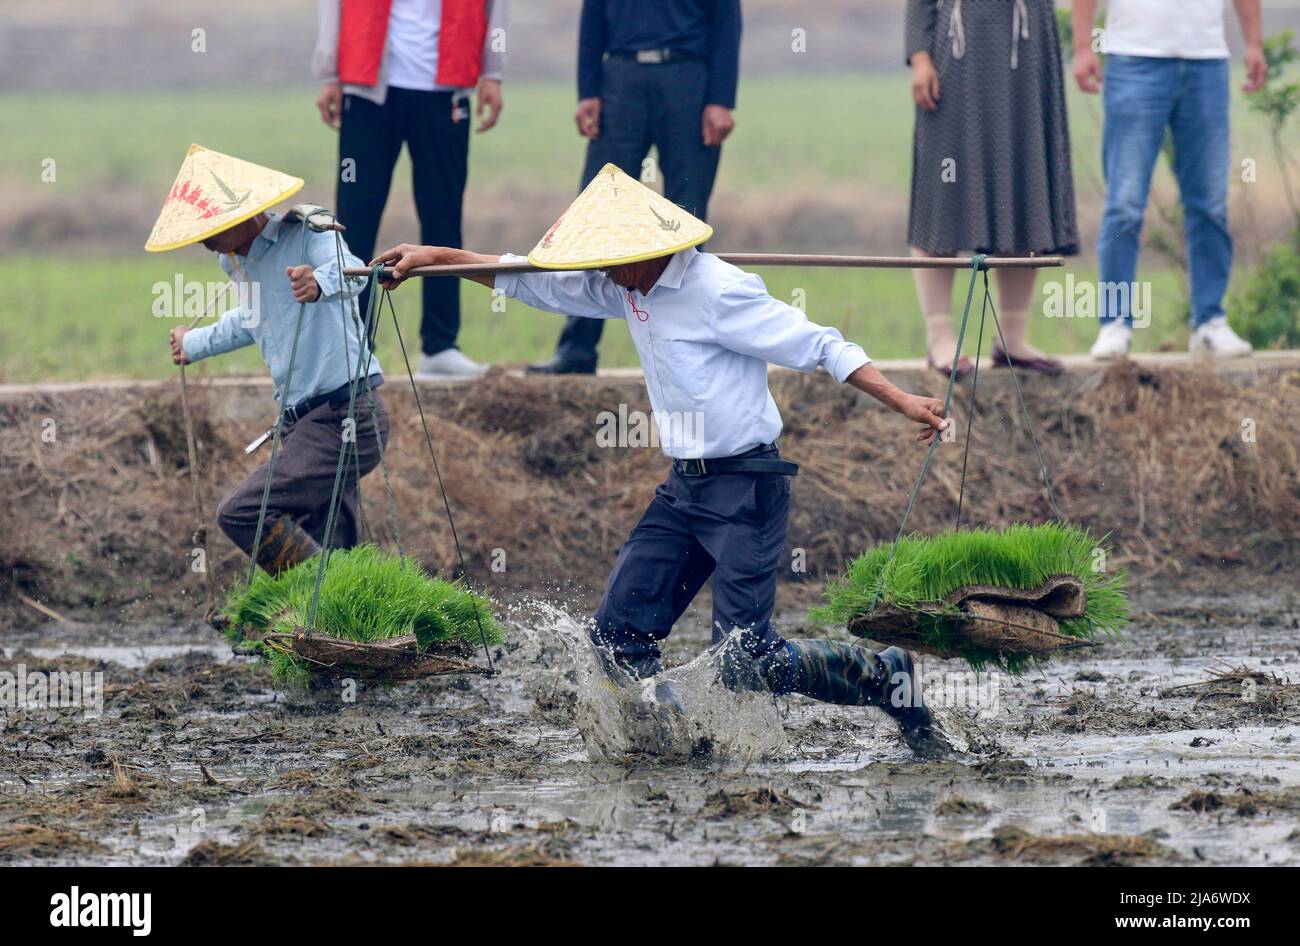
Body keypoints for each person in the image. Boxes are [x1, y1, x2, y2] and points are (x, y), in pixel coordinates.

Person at [374, 165, 952, 751]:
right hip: (683, 493)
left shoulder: (722, 291)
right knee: (614, 640)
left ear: (645, 249)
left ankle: (885, 676)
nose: (597, 270)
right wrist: (431, 257)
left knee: (745, 660)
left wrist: (902, 399)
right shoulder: (625, 285)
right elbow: (530, 281)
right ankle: (674, 740)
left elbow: (822, 344)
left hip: (746, 491)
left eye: (606, 257)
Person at [147, 145, 388, 574]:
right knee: (334, 540)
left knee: (242, 511)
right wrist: (194, 343)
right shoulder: (234, 263)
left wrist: (319, 282)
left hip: (348, 414)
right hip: (305, 422)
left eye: (212, 228)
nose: (205, 241)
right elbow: (252, 319)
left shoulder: (307, 234)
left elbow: (354, 272)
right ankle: (344, 621)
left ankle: (323, 597)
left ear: (244, 214)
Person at [527, 0, 742, 376]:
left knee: (685, 220)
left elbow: (726, 20)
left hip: (688, 82)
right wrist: (587, 90)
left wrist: (722, 99)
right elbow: (593, 14)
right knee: (595, 214)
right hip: (620, 83)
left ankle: (686, 351)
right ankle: (577, 349)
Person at [312, 0, 508, 379]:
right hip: (369, 87)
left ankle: (440, 345)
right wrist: (328, 74)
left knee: (443, 215)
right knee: (355, 219)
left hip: (446, 87)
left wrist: (494, 73)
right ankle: (352, 347)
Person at [1073, 0, 1263, 360]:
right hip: (1133, 58)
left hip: (1206, 61)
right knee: (1125, 203)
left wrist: (1253, 42)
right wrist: (1083, 47)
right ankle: (1115, 323)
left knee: (1209, 202)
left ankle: (1209, 321)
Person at [906, 0, 1077, 377]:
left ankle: (1011, 337)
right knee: (943, 192)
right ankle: (940, 336)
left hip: (1028, 49)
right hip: (958, 52)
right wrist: (920, 58)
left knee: (1024, 181)